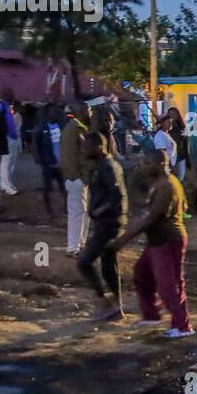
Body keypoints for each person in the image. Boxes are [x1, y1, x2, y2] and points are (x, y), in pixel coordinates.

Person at [111, 148, 194, 338]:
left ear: (160, 165)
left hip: (167, 240)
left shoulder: (167, 186)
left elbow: (152, 217)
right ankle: (151, 314)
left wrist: (124, 239)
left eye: (147, 163)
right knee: (142, 274)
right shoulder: (161, 183)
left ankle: (182, 326)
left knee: (168, 285)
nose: (143, 167)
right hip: (158, 240)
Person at [76, 131, 128, 322]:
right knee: (108, 266)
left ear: (99, 147)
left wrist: (100, 211)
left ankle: (106, 303)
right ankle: (116, 308)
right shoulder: (102, 165)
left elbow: (118, 195)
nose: (83, 151)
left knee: (84, 262)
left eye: (86, 147)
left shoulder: (107, 167)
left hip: (109, 223)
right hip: (108, 222)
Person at [60, 101, 92, 254]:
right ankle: (73, 247)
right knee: (76, 213)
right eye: (88, 109)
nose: (90, 112)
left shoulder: (79, 128)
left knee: (83, 213)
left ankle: (80, 244)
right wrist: (76, 177)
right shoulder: (73, 128)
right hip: (76, 178)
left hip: (81, 178)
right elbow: (68, 156)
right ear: (81, 111)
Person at [34, 103, 66, 218]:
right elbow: (35, 146)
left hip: (60, 163)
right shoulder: (41, 128)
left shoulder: (61, 126)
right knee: (47, 188)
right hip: (48, 163)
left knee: (63, 187)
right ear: (48, 113)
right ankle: (49, 211)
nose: (56, 112)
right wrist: (40, 160)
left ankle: (66, 208)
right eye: (53, 110)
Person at [0, 89, 22, 196]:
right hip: (7, 138)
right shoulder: (0, 106)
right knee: (6, 163)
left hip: (11, 138)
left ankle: (5, 184)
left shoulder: (5, 106)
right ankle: (7, 186)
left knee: (9, 163)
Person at [166, 107, 189, 180]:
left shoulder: (181, 127)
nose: (172, 116)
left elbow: (185, 143)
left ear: (177, 115)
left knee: (180, 178)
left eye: (174, 114)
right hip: (168, 157)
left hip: (180, 156)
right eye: (170, 115)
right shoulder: (164, 128)